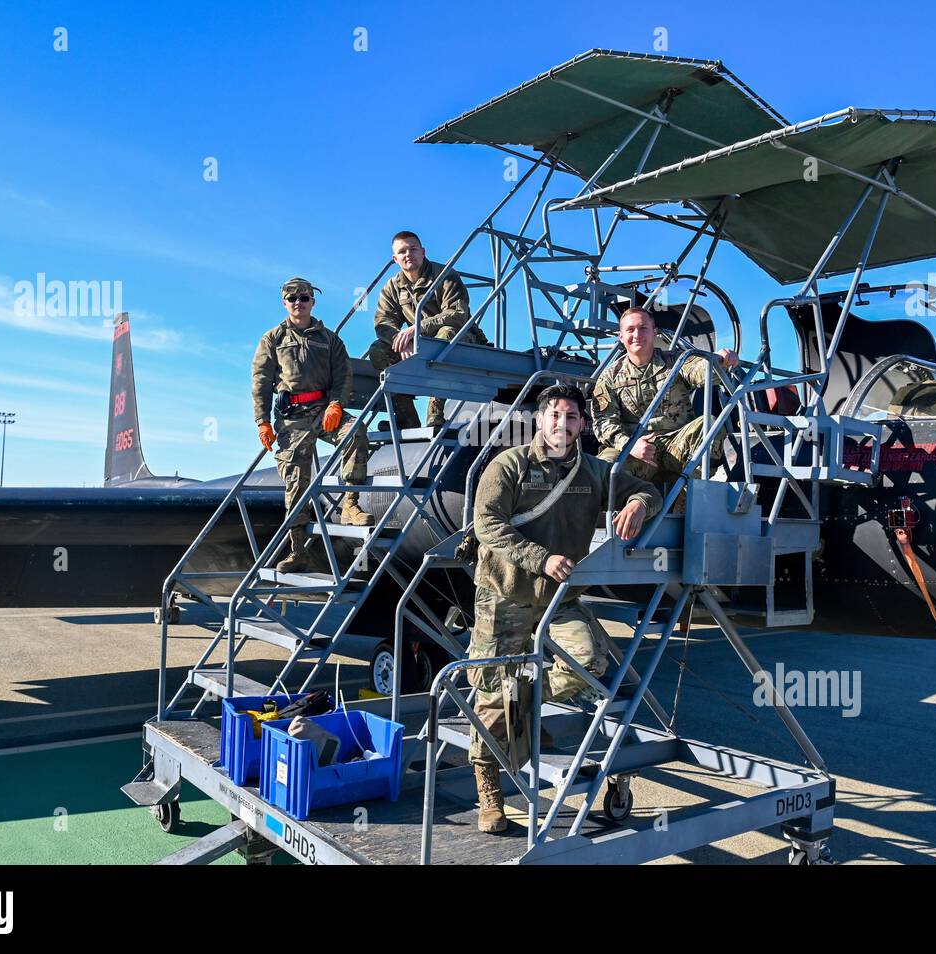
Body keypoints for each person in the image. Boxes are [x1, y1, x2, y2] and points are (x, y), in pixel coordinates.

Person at [467, 383, 660, 833]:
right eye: (554, 414)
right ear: (540, 419)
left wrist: (636, 503)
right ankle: (489, 792)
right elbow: (486, 524)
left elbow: (645, 490)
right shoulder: (510, 465)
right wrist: (541, 557)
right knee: (493, 694)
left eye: (571, 416)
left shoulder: (594, 471)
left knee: (588, 662)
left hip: (559, 599)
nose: (562, 423)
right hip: (507, 593)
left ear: (582, 424)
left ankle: (526, 704)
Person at [252, 277, 371, 574]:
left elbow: (344, 375)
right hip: (293, 417)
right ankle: (298, 553)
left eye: (304, 298)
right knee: (296, 484)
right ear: (284, 303)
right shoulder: (273, 339)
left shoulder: (329, 339)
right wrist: (262, 421)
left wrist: (336, 404)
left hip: (324, 410)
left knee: (356, 432)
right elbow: (261, 382)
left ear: (312, 302)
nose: (298, 303)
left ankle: (350, 505)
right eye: (292, 298)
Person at [590, 306, 740, 485]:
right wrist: (630, 445)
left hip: (676, 444)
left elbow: (700, 371)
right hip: (635, 448)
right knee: (603, 469)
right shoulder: (609, 377)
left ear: (654, 333)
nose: (637, 334)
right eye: (630, 330)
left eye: (643, 328)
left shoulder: (677, 361)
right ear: (621, 337)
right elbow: (603, 423)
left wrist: (719, 361)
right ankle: (617, 511)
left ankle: (685, 501)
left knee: (709, 424)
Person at [368, 230, 490, 430]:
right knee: (378, 349)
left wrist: (414, 330)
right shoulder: (392, 286)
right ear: (395, 258)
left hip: (460, 340)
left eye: (413, 249)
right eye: (402, 251)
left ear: (423, 251)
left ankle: (435, 413)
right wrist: (402, 342)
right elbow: (383, 322)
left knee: (446, 334)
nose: (408, 254)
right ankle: (406, 417)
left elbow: (457, 314)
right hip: (418, 343)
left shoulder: (445, 275)